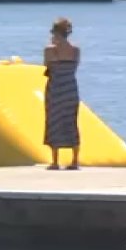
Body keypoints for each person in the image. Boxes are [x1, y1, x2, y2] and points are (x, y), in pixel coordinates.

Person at [44, 17, 81, 170]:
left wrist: (54, 45)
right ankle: (75, 160)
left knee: (54, 122)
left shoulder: (50, 50)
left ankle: (55, 161)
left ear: (56, 33)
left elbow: (47, 66)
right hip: (70, 88)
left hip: (55, 88)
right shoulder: (76, 50)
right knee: (71, 122)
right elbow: (74, 67)